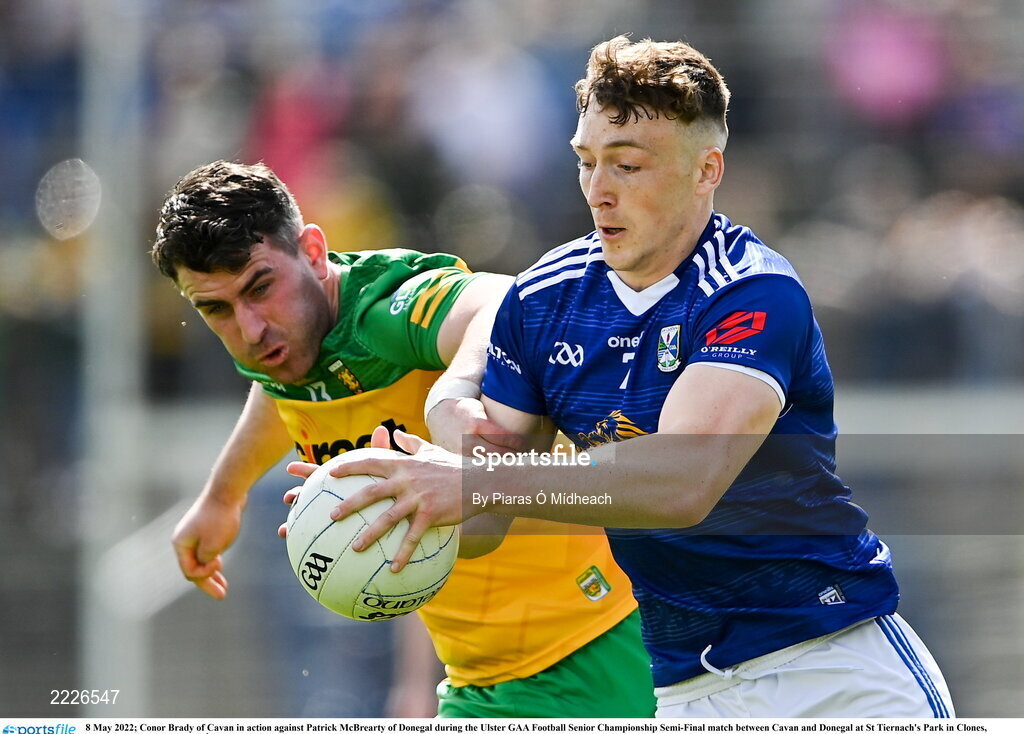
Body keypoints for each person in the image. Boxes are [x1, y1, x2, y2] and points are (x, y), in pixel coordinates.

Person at [320, 37, 956, 718]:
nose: (599, 189)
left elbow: (682, 482)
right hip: (682, 693)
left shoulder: (752, 293)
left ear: (706, 169)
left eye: (627, 165)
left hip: (830, 669)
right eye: (586, 162)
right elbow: (490, 515)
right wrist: (400, 497)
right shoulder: (543, 300)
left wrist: (471, 480)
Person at [152, 160, 655, 718]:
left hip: (599, 640)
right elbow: (279, 391)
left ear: (314, 255)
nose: (249, 329)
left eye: (260, 287)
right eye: (215, 309)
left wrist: (453, 393)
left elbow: (503, 302)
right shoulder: (288, 343)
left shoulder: (383, 312)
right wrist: (224, 496)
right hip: (480, 676)